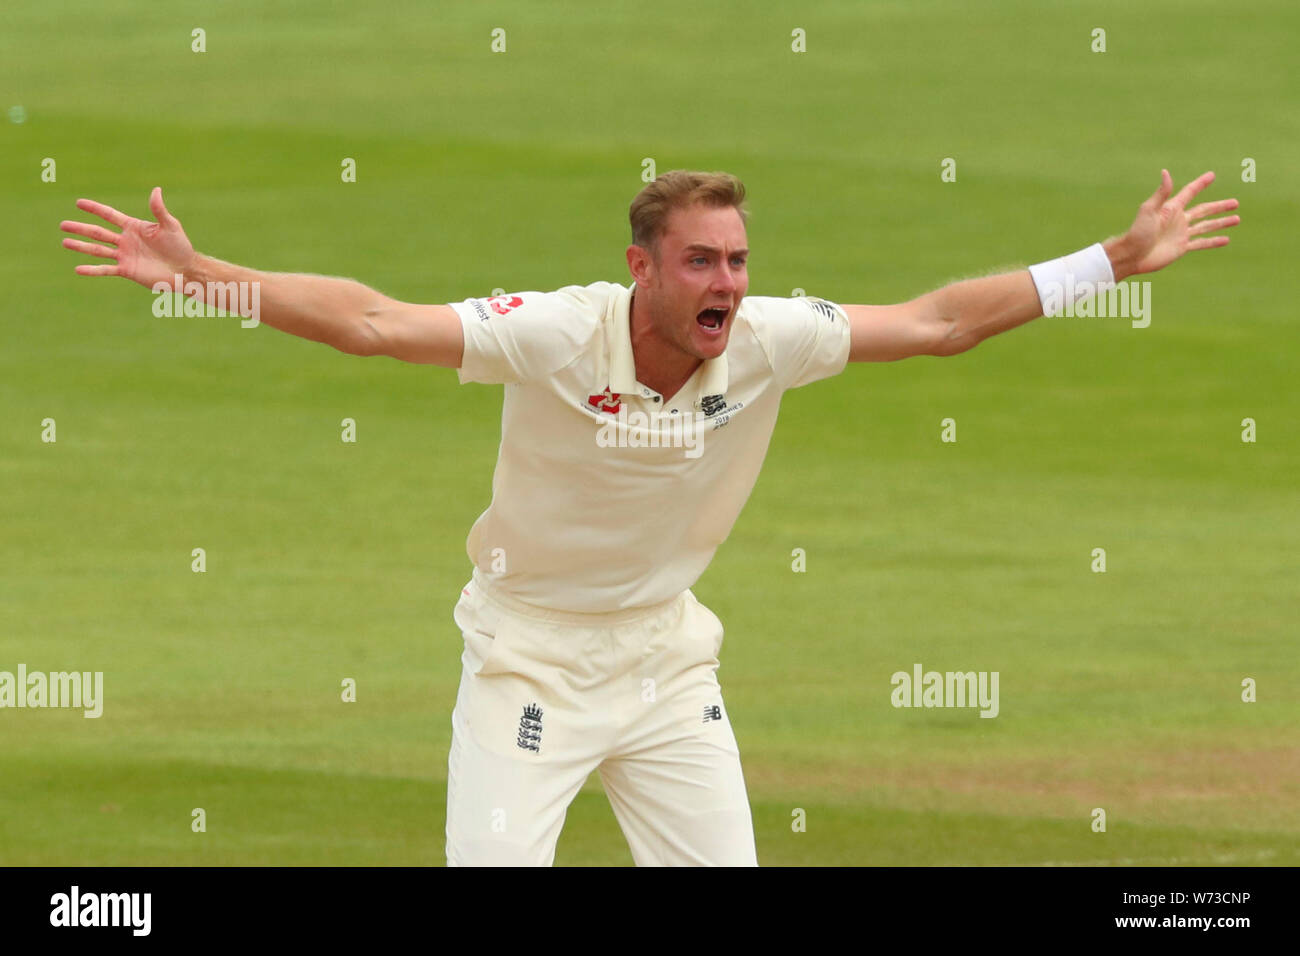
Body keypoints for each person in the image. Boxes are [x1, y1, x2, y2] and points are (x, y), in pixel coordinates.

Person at [61, 168, 1240, 866]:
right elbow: (371, 320)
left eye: (735, 260)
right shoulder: (554, 330)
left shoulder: (771, 338)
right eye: (698, 262)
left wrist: (1115, 259)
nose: (726, 283)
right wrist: (206, 276)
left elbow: (938, 321)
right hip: (528, 660)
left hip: (668, 663)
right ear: (640, 265)